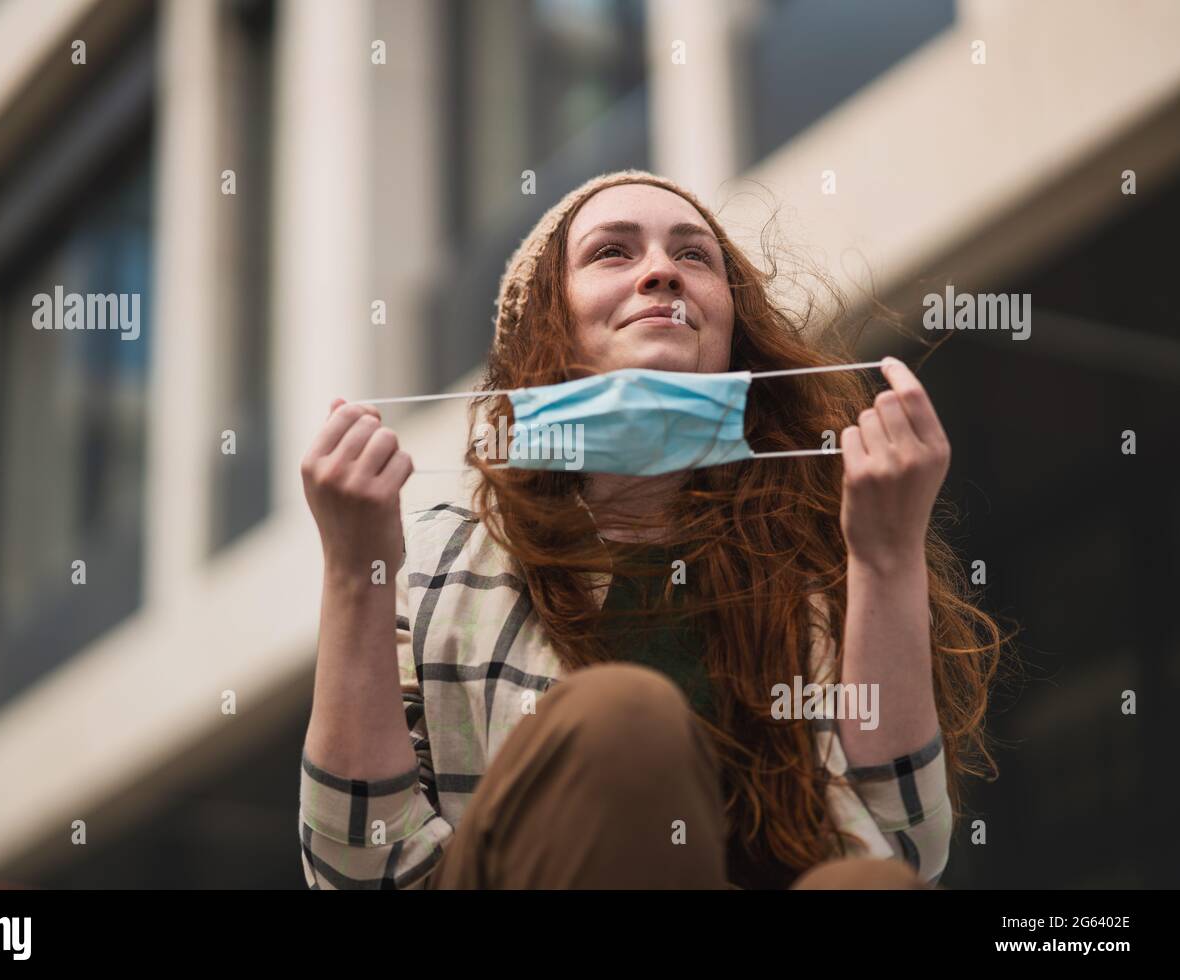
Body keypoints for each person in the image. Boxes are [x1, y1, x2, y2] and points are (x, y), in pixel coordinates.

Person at [297, 169, 1004, 890]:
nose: (662, 271)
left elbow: (904, 851)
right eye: (613, 252)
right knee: (623, 719)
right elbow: (359, 871)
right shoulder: (433, 561)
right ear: (547, 325)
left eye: (694, 255)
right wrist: (355, 574)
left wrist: (886, 560)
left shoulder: (823, 549)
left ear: (734, 325)